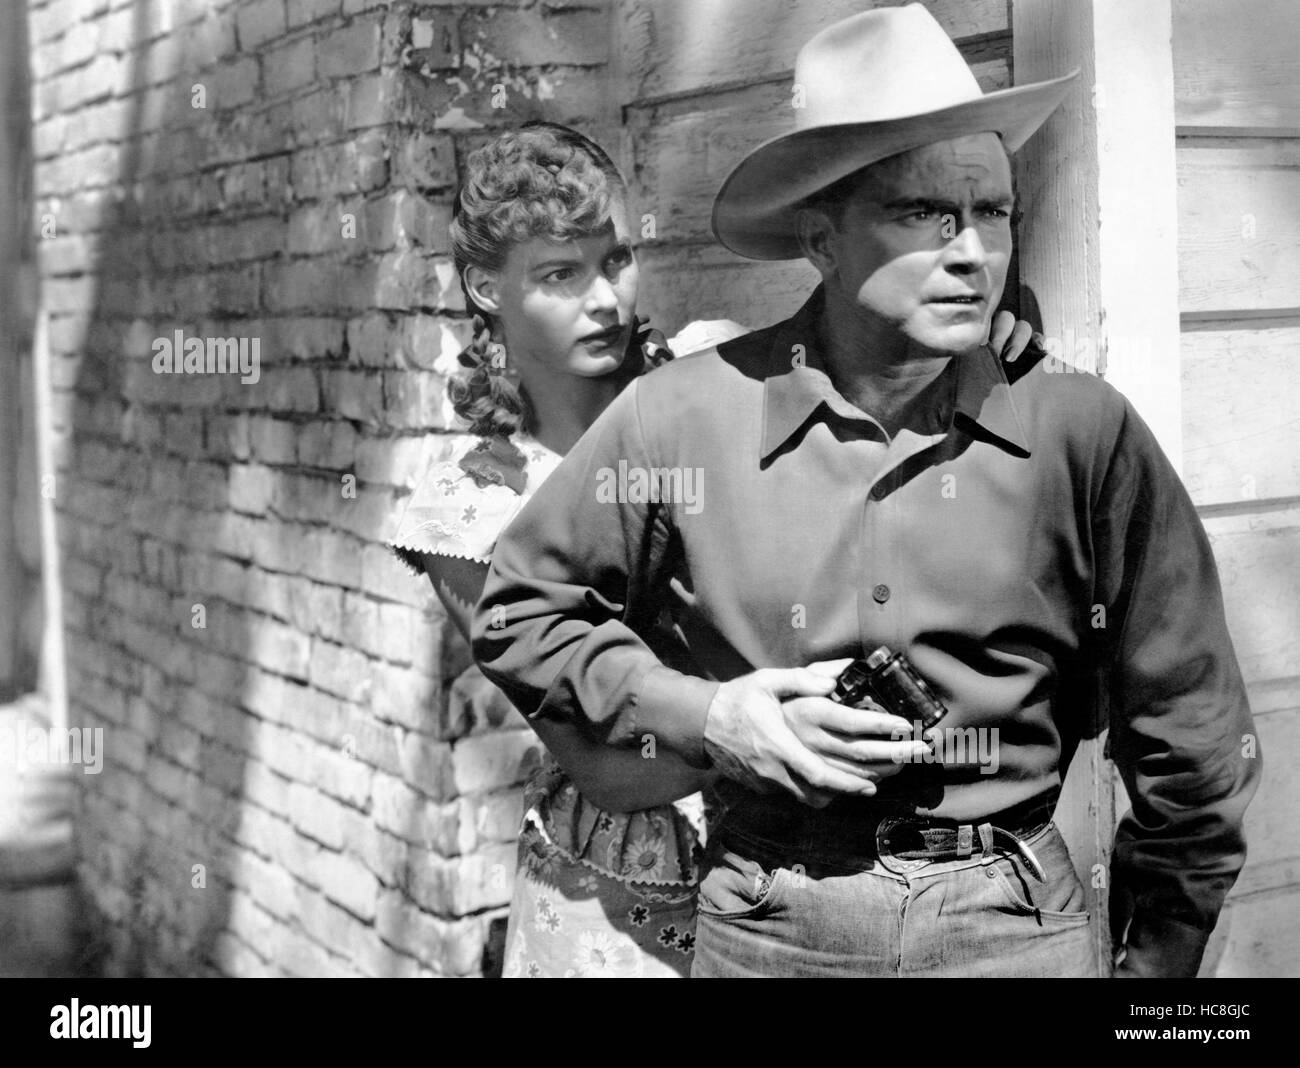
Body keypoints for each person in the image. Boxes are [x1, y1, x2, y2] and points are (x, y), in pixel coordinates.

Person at [471, 5, 1260, 978]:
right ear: (823, 234)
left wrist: (1155, 978)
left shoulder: (1077, 432)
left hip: (1011, 925)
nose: (971, 250)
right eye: (924, 213)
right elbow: (517, 613)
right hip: (769, 915)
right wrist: (708, 716)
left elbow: (1196, 736)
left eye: (992, 212)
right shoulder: (683, 418)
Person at [390, 118, 1042, 977]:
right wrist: (757, 730)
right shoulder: (468, 506)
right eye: (559, 273)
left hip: (812, 870)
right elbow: (602, 767)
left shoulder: (711, 375)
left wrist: (966, 345)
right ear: (484, 286)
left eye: (614, 259)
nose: (603, 301)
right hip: (630, 887)